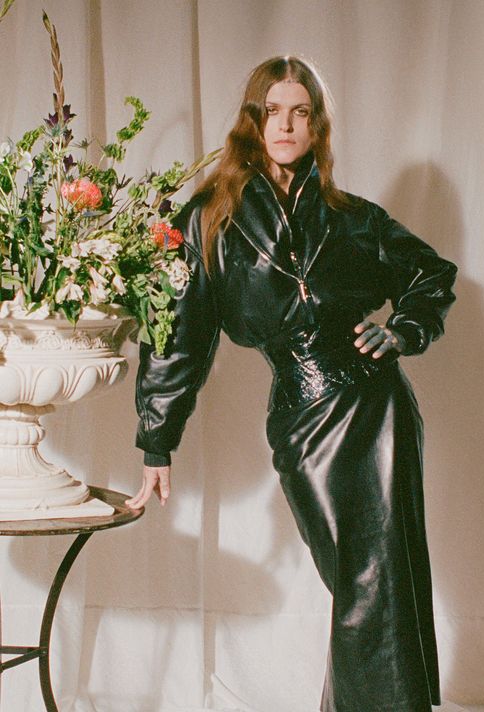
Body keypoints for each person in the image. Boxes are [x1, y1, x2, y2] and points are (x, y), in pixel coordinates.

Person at [128, 56, 457, 712]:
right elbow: (177, 333)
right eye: (272, 111)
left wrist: (402, 330)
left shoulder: (351, 217)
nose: (285, 125)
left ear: (316, 126)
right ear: (253, 122)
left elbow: (431, 273)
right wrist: (156, 439)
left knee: (378, 585)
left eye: (300, 112)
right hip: (300, 417)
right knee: (360, 584)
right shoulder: (209, 220)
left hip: (377, 410)